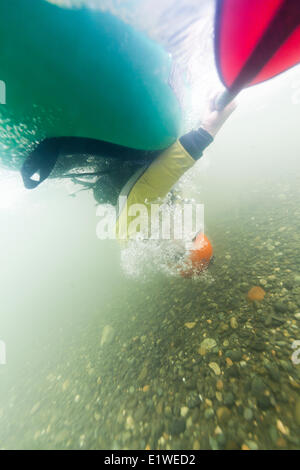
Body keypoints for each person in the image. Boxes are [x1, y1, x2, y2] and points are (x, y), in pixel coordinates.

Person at [21, 95, 236, 240]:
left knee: (145, 156)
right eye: (192, 231)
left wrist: (207, 130)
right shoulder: (163, 220)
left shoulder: (134, 232)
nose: (184, 230)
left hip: (107, 159)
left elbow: (156, 181)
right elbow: (164, 180)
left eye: (187, 237)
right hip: (124, 161)